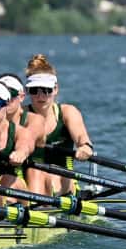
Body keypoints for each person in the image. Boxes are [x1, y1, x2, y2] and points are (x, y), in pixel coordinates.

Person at [24, 53, 94, 195]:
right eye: (34, 90)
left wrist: (84, 147)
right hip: (30, 180)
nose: (40, 96)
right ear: (26, 91)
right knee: (35, 172)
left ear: (55, 89)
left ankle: (38, 209)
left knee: (47, 176)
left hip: (63, 180)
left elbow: (82, 137)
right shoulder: (20, 114)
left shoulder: (68, 112)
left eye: (46, 90)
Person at [0, 72, 49, 195]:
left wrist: (21, 152)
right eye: (0, 97)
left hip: (33, 181)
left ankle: (35, 206)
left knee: (33, 171)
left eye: (11, 95)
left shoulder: (35, 119)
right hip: (1, 181)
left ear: (21, 96)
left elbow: (28, 138)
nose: (7, 100)